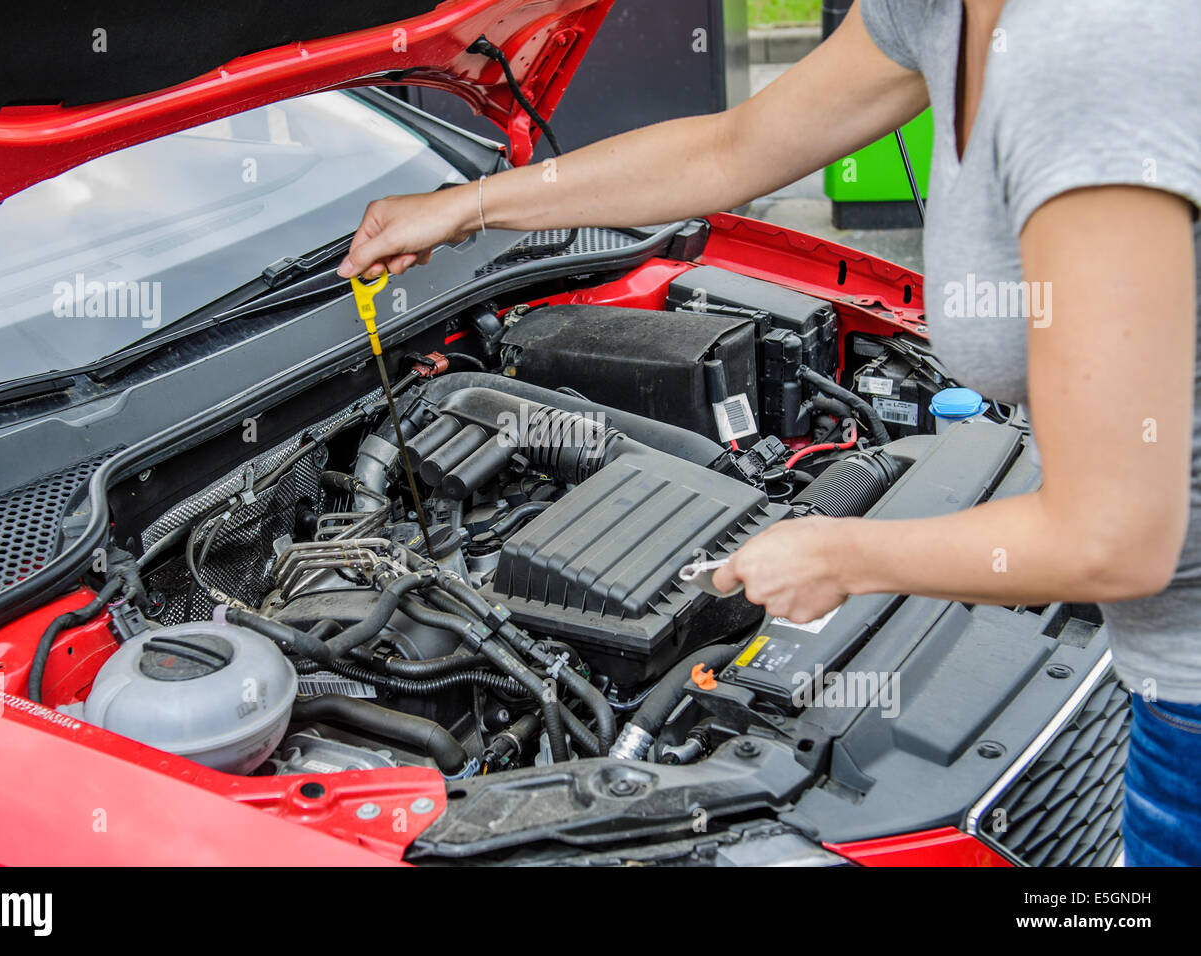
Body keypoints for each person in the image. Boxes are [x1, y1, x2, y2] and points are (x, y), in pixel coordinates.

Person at [338, 1, 1201, 866]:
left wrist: (841, 554)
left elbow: (1113, 538)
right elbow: (734, 147)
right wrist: (466, 207)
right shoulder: (933, 9)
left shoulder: (1090, 53)